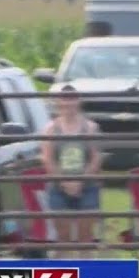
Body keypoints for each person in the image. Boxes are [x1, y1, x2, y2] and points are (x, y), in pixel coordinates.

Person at [39, 85, 102, 259]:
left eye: (72, 101)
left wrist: (80, 180)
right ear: (58, 103)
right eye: (64, 102)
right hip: (59, 187)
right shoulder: (50, 129)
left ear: (78, 102)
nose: (68, 106)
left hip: (87, 186)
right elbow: (47, 158)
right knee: (63, 237)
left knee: (85, 237)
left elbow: (96, 157)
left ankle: (86, 275)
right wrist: (64, 182)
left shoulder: (90, 127)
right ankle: (62, 277)